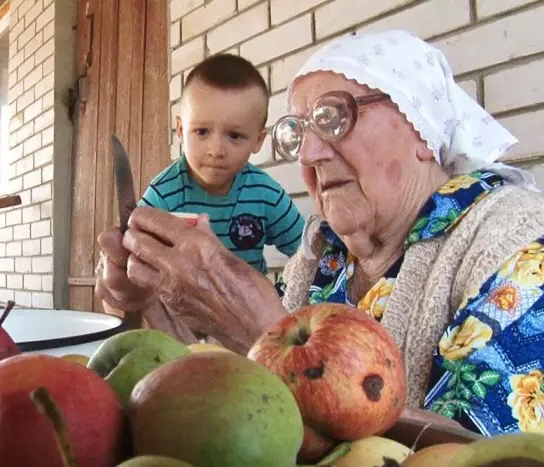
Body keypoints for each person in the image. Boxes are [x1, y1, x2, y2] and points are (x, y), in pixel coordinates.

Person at [94, 29, 544, 436]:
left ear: (420, 128)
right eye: (297, 131)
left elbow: (487, 452)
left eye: (332, 117)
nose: (307, 154)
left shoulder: (516, 243)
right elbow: (242, 394)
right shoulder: (323, 258)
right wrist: (151, 298)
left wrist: (275, 341)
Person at [139, 53, 305, 276]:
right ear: (180, 131)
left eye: (235, 136)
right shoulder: (163, 195)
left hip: (249, 310)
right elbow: (134, 251)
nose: (216, 151)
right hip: (181, 308)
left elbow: (309, 253)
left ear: (258, 140)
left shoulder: (266, 194)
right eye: (202, 132)